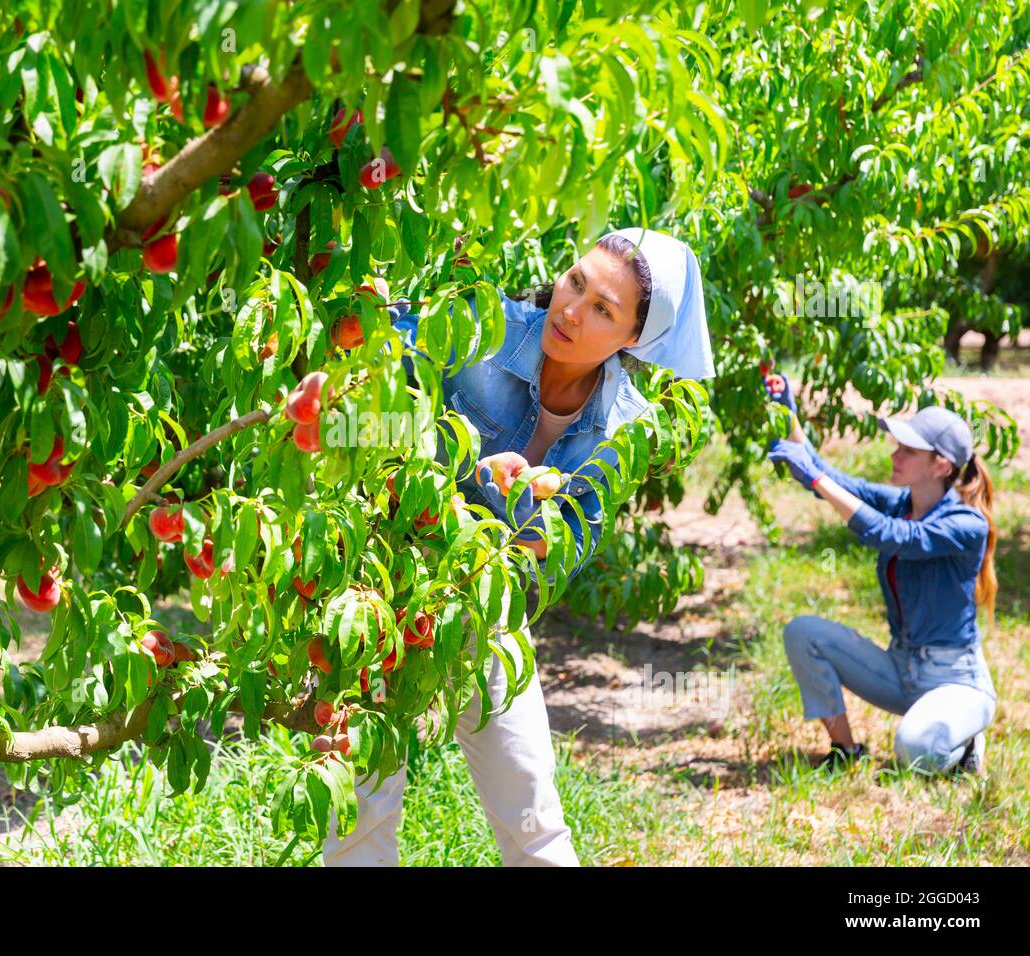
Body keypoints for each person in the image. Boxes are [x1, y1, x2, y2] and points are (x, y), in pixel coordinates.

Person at [321, 228, 716, 866]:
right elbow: (373, 399)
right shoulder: (481, 328)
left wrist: (534, 514)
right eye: (576, 282)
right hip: (382, 579)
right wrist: (465, 472)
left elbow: (559, 556)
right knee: (360, 810)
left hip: (486, 604)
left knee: (531, 813)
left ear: (633, 340)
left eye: (602, 310)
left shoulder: (624, 427)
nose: (570, 309)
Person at [767, 378, 999, 775]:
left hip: (955, 682)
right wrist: (789, 417)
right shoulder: (903, 502)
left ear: (940, 464)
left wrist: (816, 479)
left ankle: (963, 744)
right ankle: (845, 749)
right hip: (901, 669)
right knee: (803, 632)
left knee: (914, 750)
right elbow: (831, 480)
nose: (895, 455)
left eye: (908, 450)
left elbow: (891, 535)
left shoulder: (966, 522)